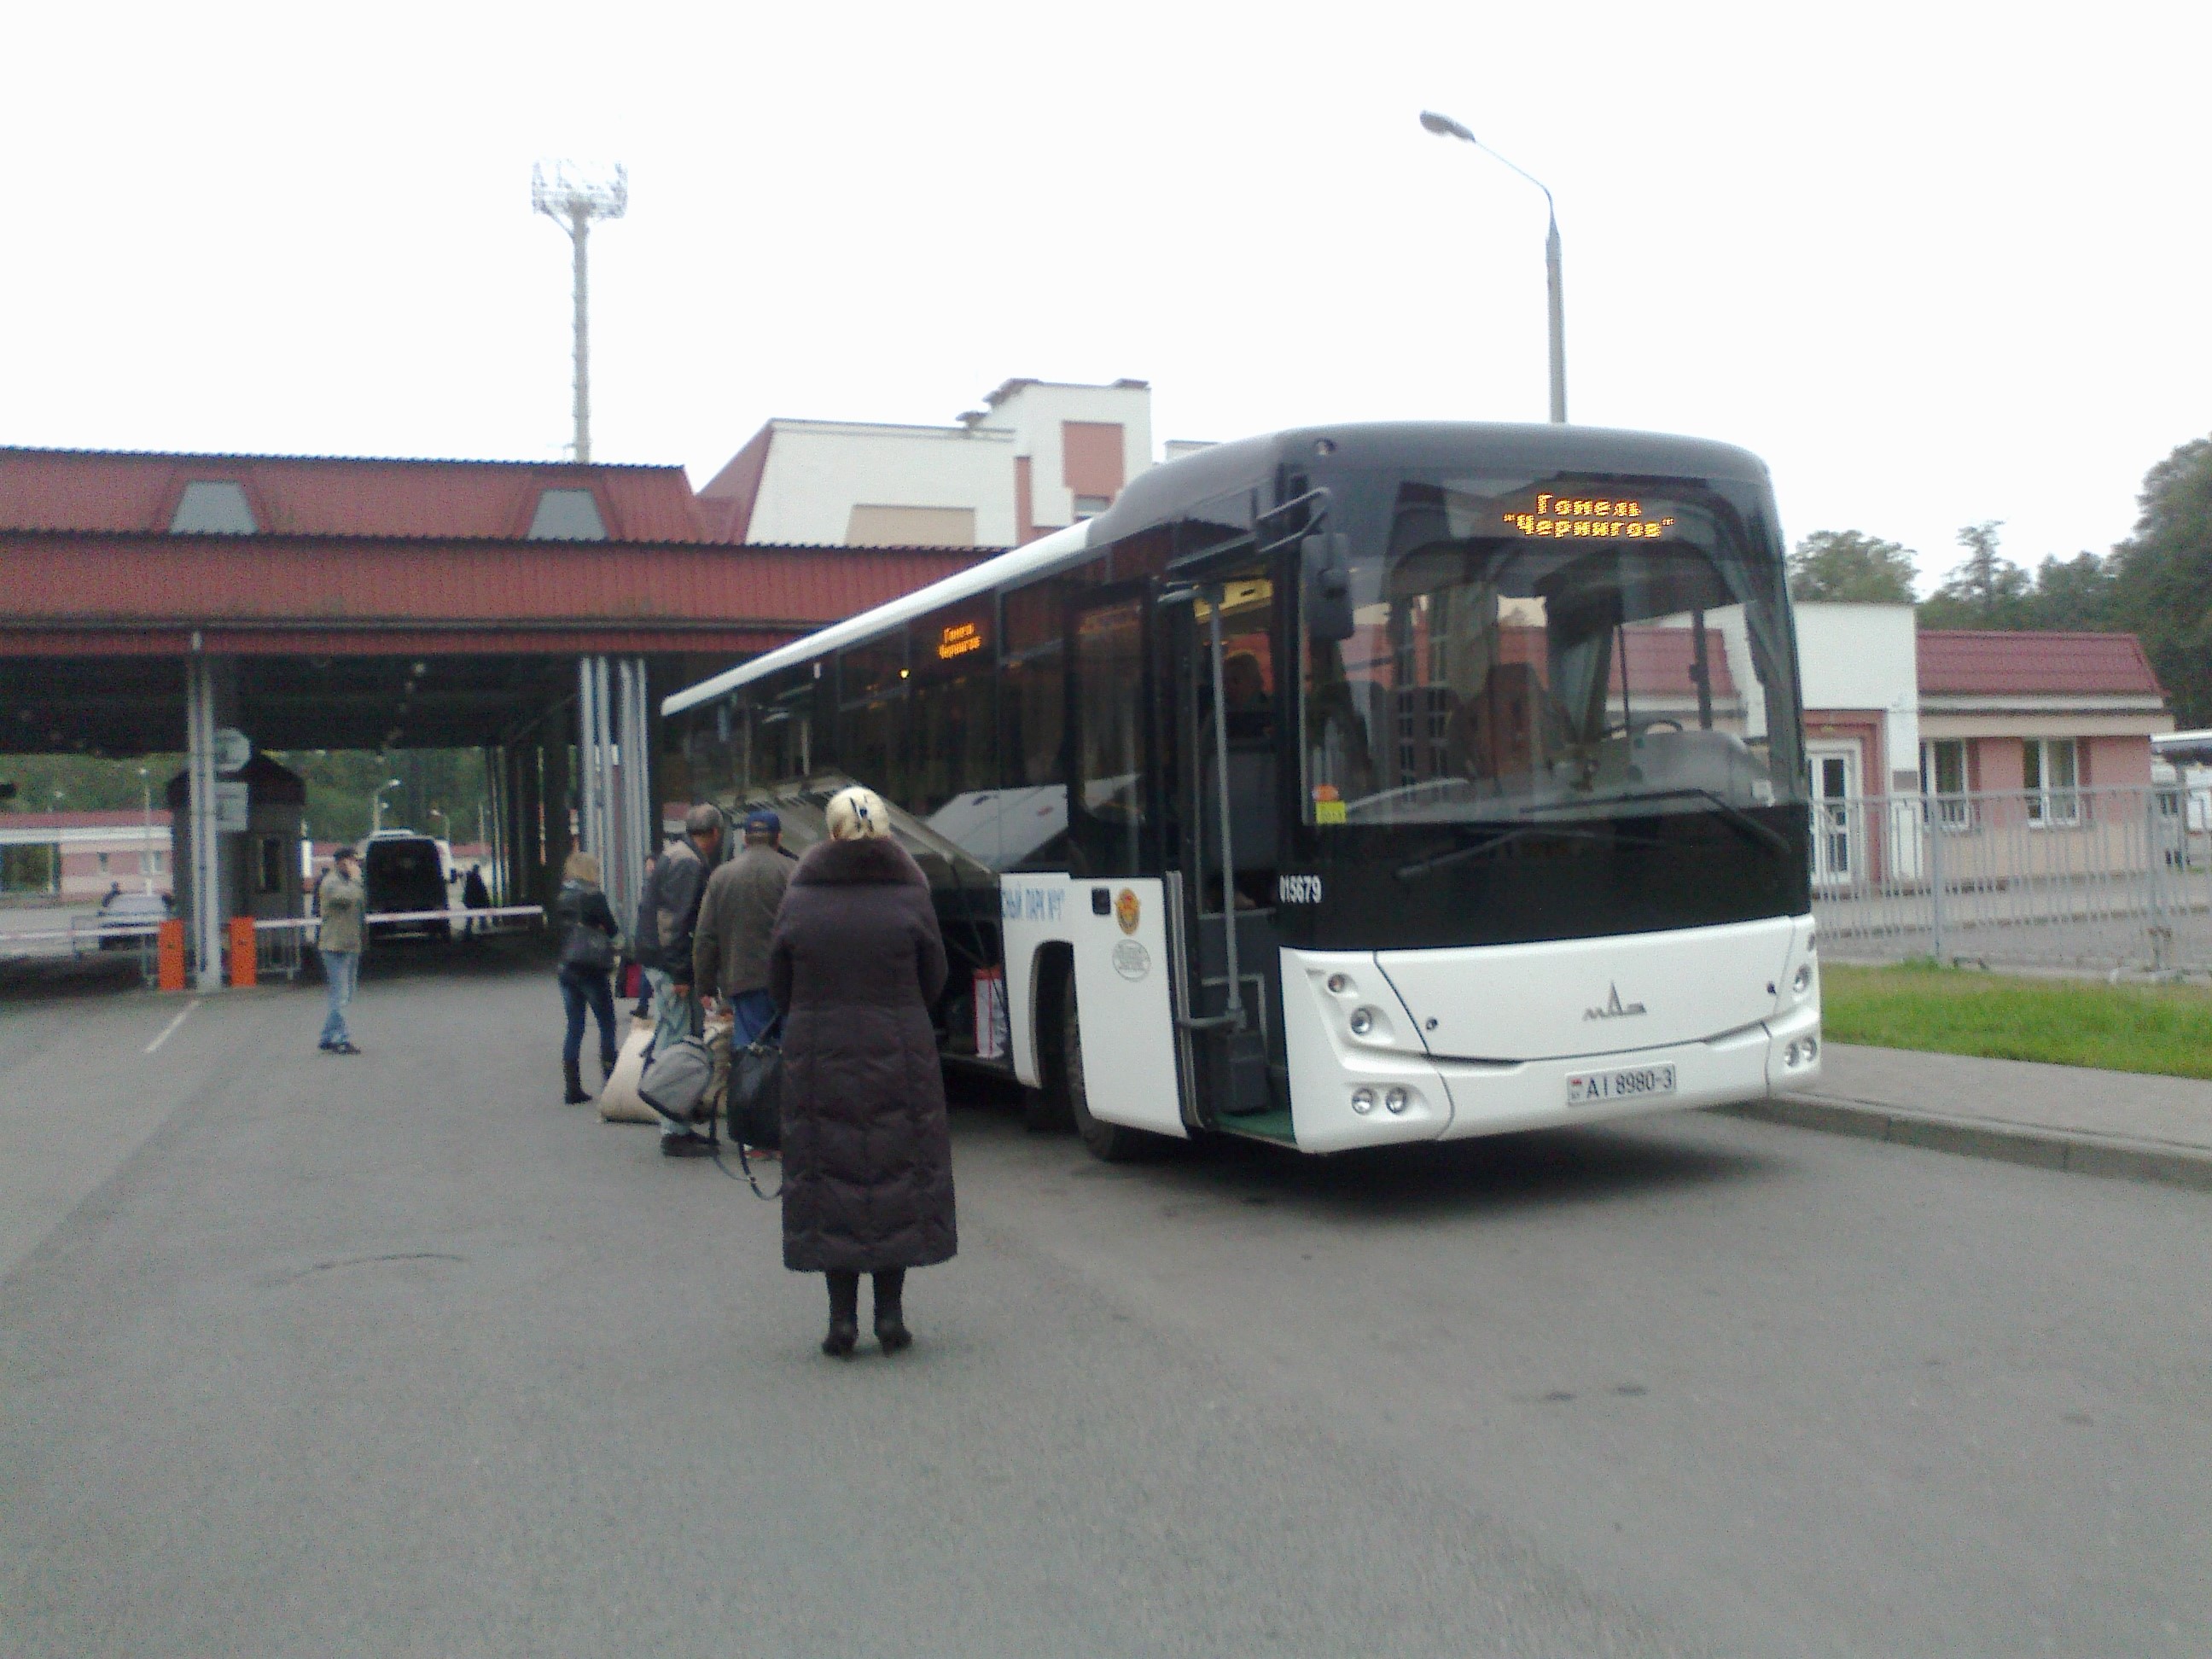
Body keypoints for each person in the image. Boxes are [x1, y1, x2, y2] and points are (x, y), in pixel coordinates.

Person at [768, 785, 954, 1358]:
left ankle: (841, 1321)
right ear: (888, 831)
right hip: (900, 1051)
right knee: (897, 1174)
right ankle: (891, 1316)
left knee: (829, 1177)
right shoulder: (911, 893)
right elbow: (935, 977)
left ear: (829, 833)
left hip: (818, 1054)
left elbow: (779, 983)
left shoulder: (801, 897)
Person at [647, 805, 725, 1157]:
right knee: (679, 1043)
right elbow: (674, 923)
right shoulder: (689, 864)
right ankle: (673, 1129)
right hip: (671, 965)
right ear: (715, 833)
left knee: (678, 1036)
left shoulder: (676, 854)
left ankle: (678, 1119)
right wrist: (681, 972)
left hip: (661, 961)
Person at [693, 808, 795, 1047]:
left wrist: (705, 985)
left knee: (752, 1053)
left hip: (744, 979)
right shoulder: (794, 872)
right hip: (789, 980)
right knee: (791, 1051)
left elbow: (706, 936)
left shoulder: (722, 876)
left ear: (744, 838)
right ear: (779, 838)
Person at [553, 849, 620, 1103]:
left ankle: (572, 1088)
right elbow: (612, 929)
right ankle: (610, 1083)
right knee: (607, 1024)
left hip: (567, 966)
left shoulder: (562, 897)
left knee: (575, 1026)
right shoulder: (593, 896)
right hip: (591, 968)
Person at [315, 847, 366, 1055]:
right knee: (341, 995)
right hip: (335, 946)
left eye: (356, 861)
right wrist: (356, 879)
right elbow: (347, 898)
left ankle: (328, 1036)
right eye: (351, 861)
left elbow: (360, 906)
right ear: (340, 862)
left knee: (347, 994)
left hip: (350, 944)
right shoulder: (331, 883)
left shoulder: (350, 882)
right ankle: (341, 1039)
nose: (355, 865)